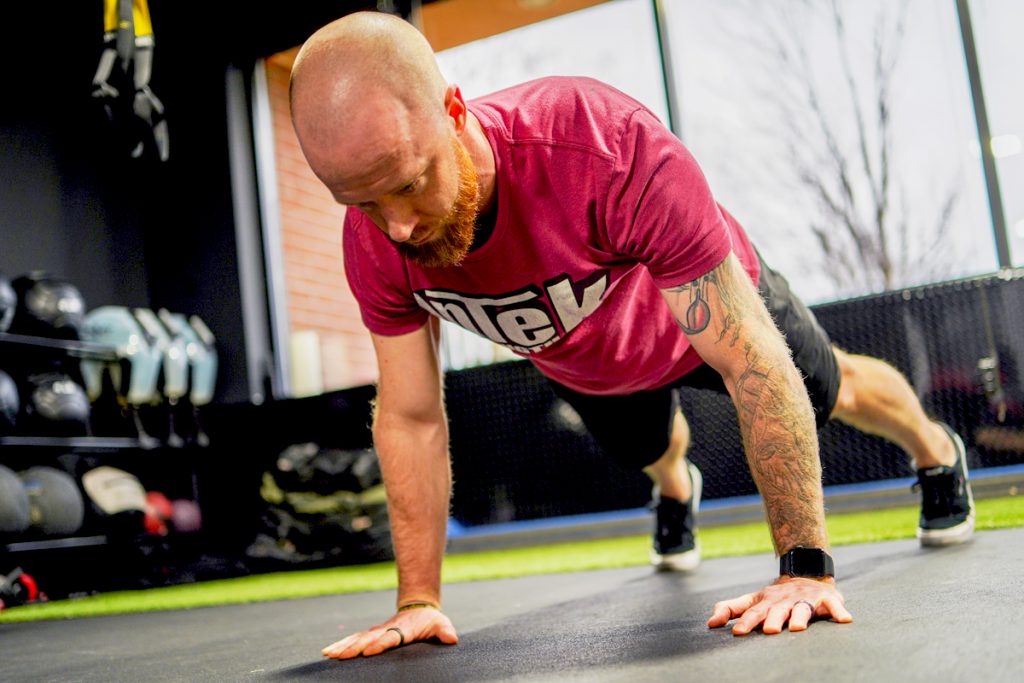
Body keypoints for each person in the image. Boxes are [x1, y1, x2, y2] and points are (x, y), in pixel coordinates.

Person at [289, 11, 975, 659]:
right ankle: (677, 487)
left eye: (410, 183)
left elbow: (750, 360)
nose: (399, 226)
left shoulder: (600, 144)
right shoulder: (375, 246)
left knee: (834, 388)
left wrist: (804, 568)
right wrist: (417, 600)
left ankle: (936, 450)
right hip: (590, 362)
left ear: (455, 111)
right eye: (364, 203)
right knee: (650, 450)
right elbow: (410, 417)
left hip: (710, 311)